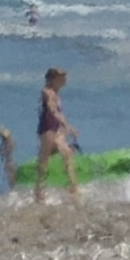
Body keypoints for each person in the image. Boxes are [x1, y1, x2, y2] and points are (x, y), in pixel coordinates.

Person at [34, 68, 82, 203]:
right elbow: (52, 111)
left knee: (67, 154)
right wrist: (66, 125)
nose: (64, 81)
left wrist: (64, 127)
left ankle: (73, 187)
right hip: (47, 130)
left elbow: (58, 112)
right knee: (44, 161)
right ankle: (38, 192)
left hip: (56, 129)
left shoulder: (56, 93)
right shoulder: (47, 92)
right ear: (53, 79)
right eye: (62, 78)